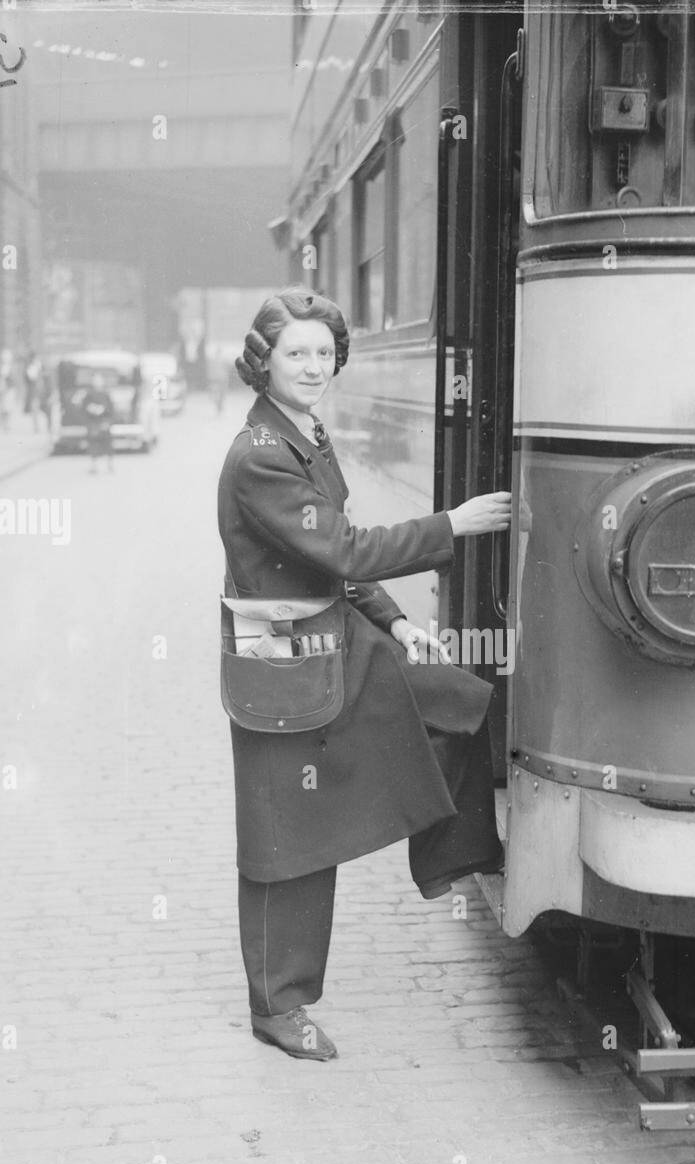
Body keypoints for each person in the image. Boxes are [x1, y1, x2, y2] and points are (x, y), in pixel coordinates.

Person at [217, 286, 511, 1062]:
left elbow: (336, 561)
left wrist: (399, 622)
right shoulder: (260, 457)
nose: (314, 366)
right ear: (264, 362)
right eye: (295, 354)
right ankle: (279, 1008)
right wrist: (452, 524)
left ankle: (454, 855)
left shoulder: (303, 436)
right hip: (282, 663)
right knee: (288, 838)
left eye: (323, 353)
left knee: (458, 702)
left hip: (337, 640)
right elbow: (344, 551)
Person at [80, 372, 115, 474]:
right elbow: (84, 407)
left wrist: (105, 413)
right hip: (93, 423)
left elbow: (111, 409)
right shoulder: (88, 394)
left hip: (104, 422)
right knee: (93, 445)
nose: (97, 382)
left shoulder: (106, 394)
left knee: (107, 444)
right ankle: (94, 466)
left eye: (99, 380)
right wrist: (91, 409)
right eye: (95, 380)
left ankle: (110, 464)